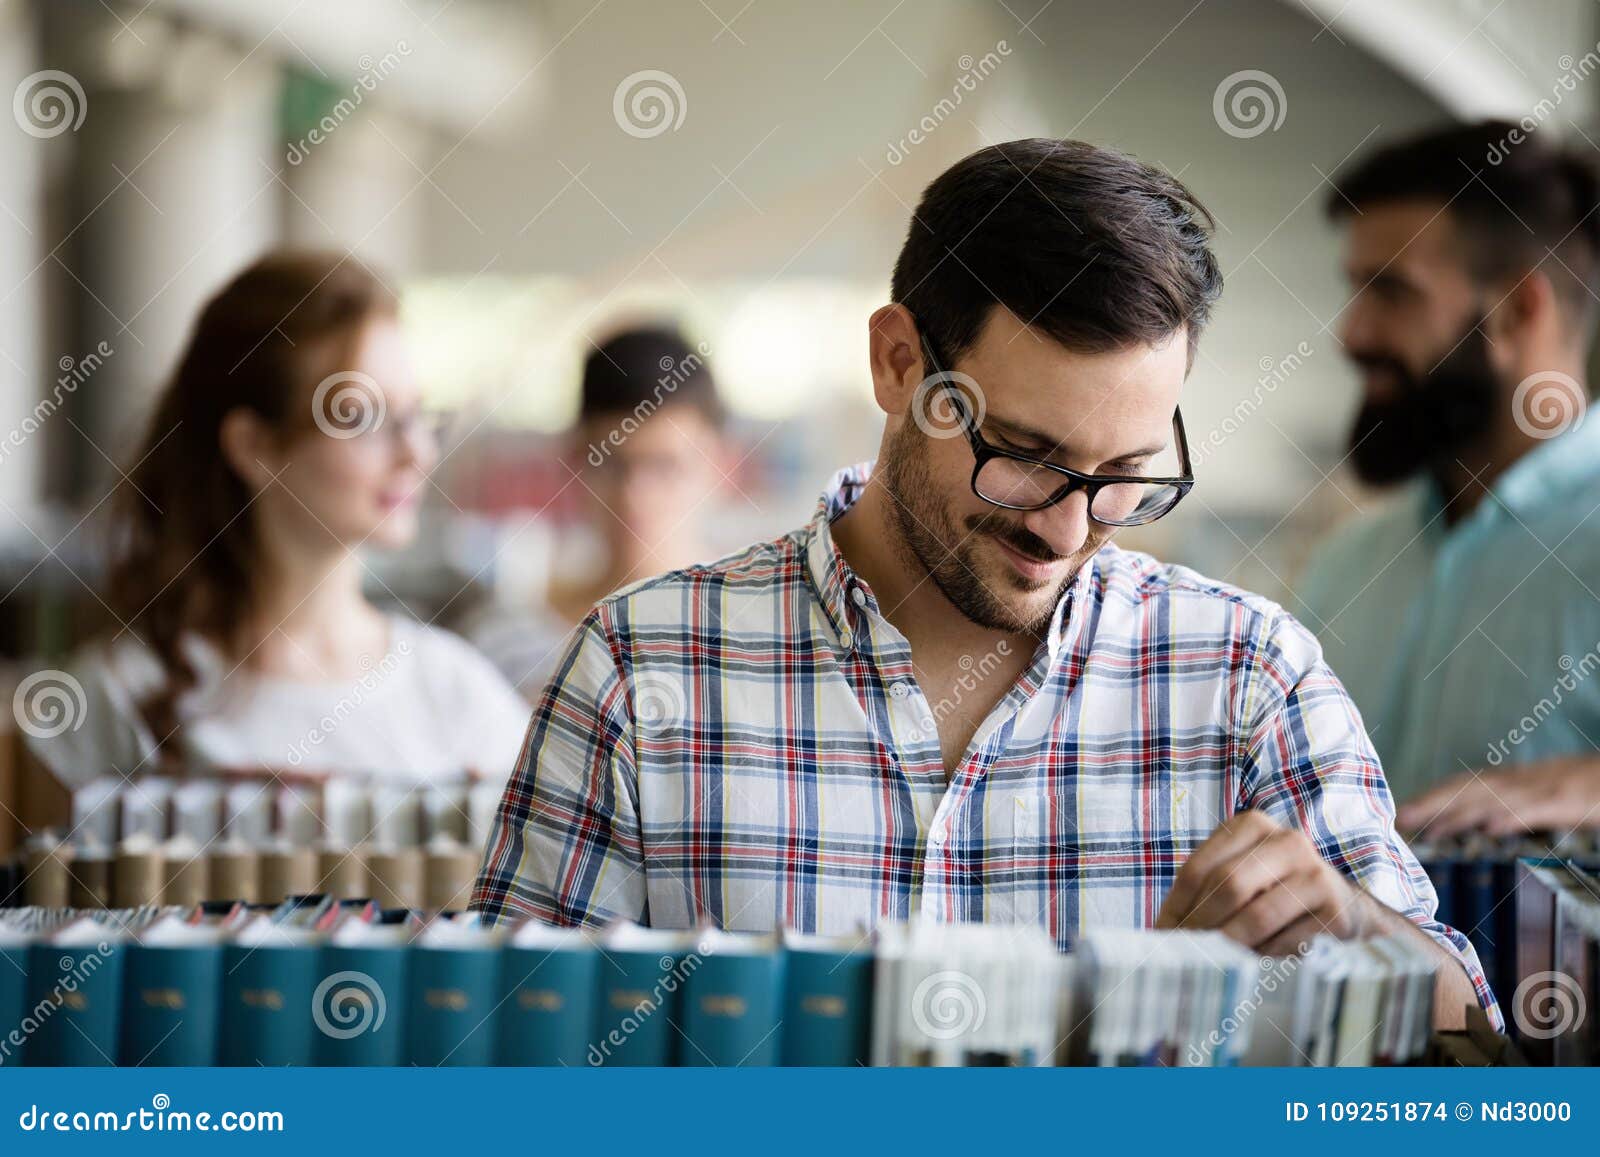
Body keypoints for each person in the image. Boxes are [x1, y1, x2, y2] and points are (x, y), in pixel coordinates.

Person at [473, 138, 1497, 1029]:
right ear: (896, 363)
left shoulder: (1245, 676)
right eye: (1022, 451)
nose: (1064, 527)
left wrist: (1361, 928)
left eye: (1123, 476)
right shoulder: (641, 670)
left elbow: (1482, 1049)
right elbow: (492, 1063)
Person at [24, 252, 531, 791]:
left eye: (416, 415)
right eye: (363, 416)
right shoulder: (114, 699)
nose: (416, 453)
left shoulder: (459, 698)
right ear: (254, 445)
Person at [1294, 122, 1600, 840]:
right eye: (1355, 290)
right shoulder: (1346, 567)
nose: (1351, 334)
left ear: (1520, 310)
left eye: (1390, 292)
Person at [465, 326, 729, 697]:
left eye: (665, 465)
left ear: (716, 464)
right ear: (576, 462)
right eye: (611, 464)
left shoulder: (770, 637)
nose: (634, 495)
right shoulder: (506, 648)